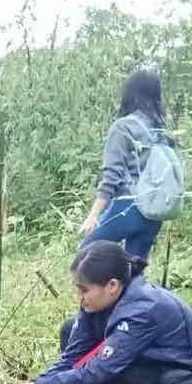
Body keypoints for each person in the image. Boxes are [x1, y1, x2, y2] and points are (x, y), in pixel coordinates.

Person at [0, 242, 192, 384]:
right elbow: (72, 358)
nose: (80, 297)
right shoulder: (98, 301)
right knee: (70, 329)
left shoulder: (142, 310)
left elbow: (98, 371)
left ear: (112, 285)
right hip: (149, 364)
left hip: (185, 380)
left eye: (84, 290)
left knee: (108, 373)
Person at [78, 69, 170, 262]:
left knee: (85, 258)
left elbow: (112, 177)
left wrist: (93, 215)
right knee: (133, 271)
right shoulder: (162, 129)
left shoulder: (123, 127)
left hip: (129, 206)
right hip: (155, 212)